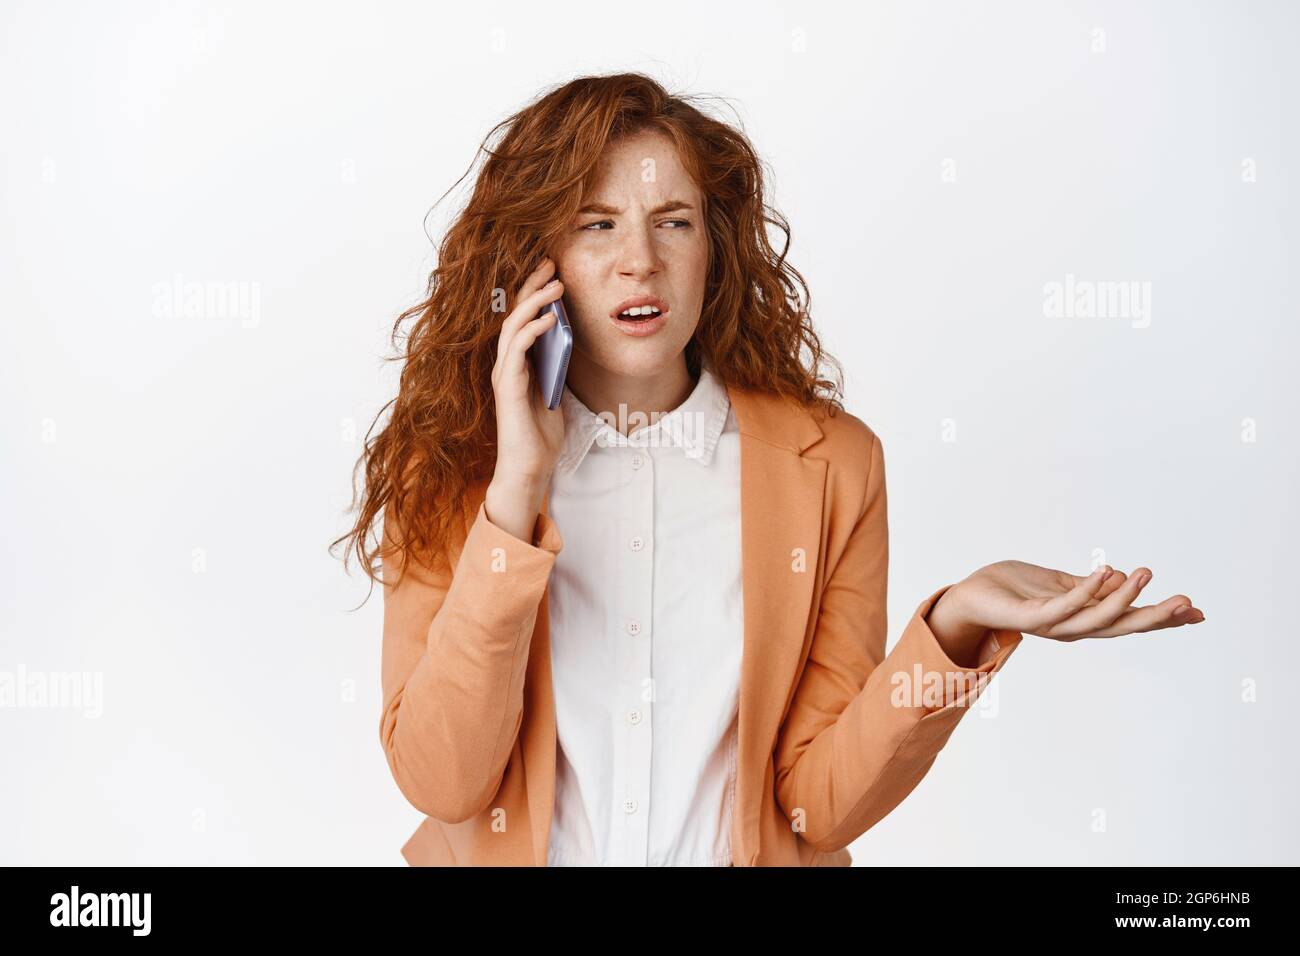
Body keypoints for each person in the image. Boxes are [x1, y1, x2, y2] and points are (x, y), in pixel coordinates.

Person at [334, 72, 1204, 866]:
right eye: (597, 224)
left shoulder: (832, 467)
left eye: (672, 221)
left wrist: (956, 630)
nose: (641, 258)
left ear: (714, 250)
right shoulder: (451, 466)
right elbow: (444, 785)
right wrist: (515, 496)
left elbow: (813, 809)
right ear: (535, 264)